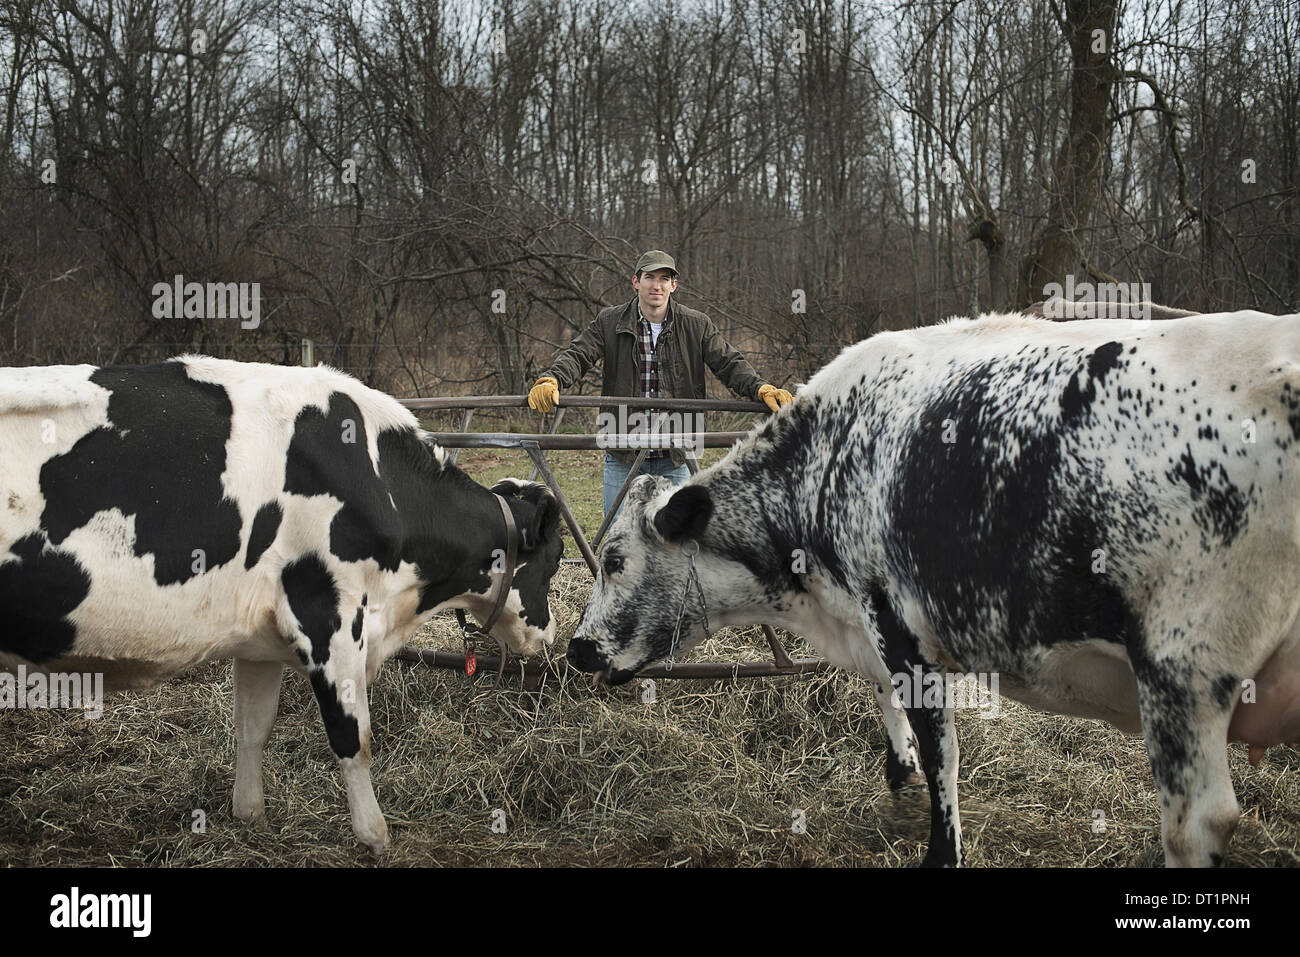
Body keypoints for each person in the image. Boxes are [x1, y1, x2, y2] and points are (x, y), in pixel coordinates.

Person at [528, 249, 793, 518]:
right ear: (635, 282)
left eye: (664, 278)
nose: (657, 285)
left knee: (676, 541)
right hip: (623, 451)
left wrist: (760, 388)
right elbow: (579, 354)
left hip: (677, 454)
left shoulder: (696, 325)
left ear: (673, 285)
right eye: (649, 277)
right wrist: (554, 378)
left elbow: (729, 363)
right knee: (617, 537)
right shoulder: (610, 321)